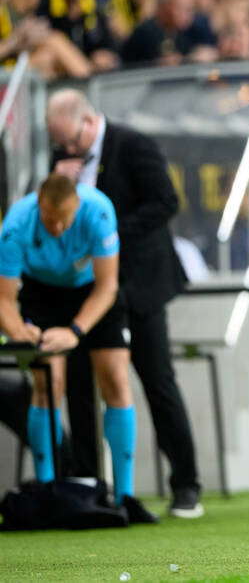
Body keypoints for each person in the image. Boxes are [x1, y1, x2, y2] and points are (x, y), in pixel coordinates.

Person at [48, 90, 200, 518]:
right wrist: (62, 178)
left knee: (156, 380)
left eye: (71, 140)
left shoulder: (132, 144)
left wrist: (109, 235)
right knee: (79, 382)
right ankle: (86, 485)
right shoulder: (63, 161)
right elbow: (51, 212)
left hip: (141, 283)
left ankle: (186, 484)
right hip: (88, 291)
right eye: (60, 143)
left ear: (88, 122)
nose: (67, 148)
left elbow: (165, 202)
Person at [0, 174, 156, 523]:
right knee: (47, 381)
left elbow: (107, 286)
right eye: (48, 218)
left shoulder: (98, 211)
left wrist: (74, 331)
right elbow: (4, 300)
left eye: (63, 219)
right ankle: (46, 489)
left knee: (115, 378)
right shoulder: (16, 224)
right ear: (38, 205)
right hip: (42, 293)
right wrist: (20, 334)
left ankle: (125, 496)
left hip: (93, 295)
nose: (55, 226)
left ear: (77, 208)